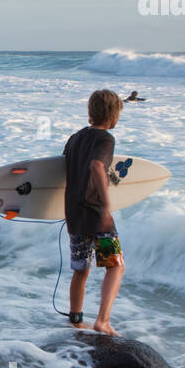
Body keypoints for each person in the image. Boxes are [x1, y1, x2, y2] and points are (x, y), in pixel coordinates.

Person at [63, 89, 125, 336]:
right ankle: (103, 320)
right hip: (96, 212)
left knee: (81, 268)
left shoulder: (75, 138)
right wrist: (106, 205)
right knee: (115, 265)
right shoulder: (106, 139)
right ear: (112, 116)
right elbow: (97, 166)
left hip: (74, 212)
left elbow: (66, 167)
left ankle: (76, 319)